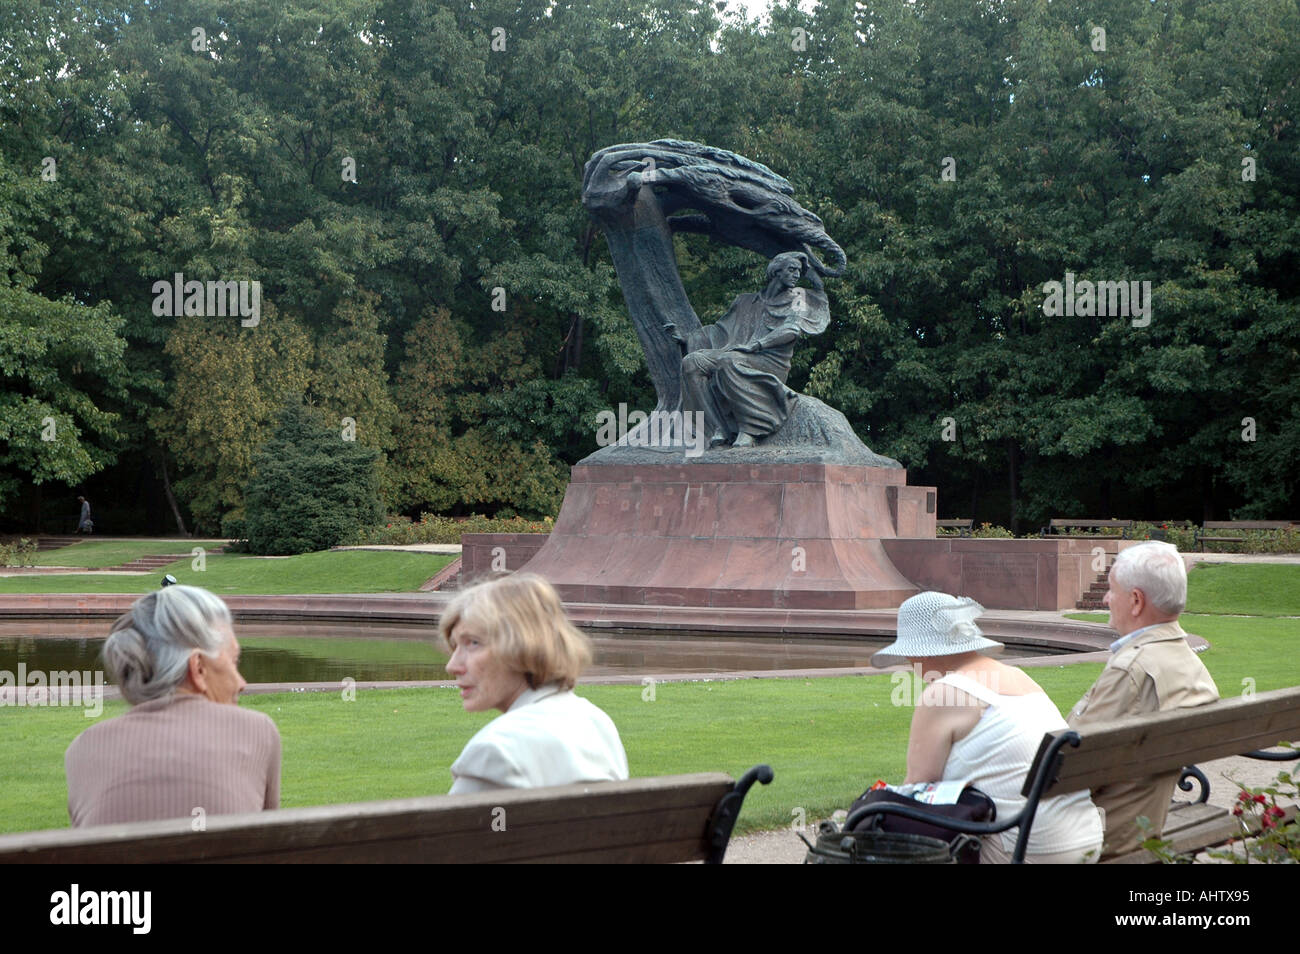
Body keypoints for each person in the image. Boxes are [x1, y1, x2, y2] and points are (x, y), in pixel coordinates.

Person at [873, 591, 1104, 863]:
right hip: (1084, 838)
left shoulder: (943, 693)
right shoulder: (1018, 677)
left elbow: (917, 790)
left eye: (908, 656)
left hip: (1028, 848)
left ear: (923, 651)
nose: (909, 664)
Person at [64, 585, 280, 827]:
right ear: (198, 668)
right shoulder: (255, 731)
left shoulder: (83, 750)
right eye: (234, 661)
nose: (242, 683)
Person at [1068, 541, 1219, 859]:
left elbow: (1066, 767)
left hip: (1106, 839)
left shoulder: (1131, 669)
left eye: (1111, 590)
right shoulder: (1188, 660)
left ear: (1136, 600)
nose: (1107, 599)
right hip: (1148, 825)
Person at [440, 572, 628, 793]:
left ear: (523, 647)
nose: (452, 666)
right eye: (455, 646)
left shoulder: (495, 752)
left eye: (473, 643)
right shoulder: (597, 722)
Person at [668, 251, 830, 448]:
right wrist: (688, 339)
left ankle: (750, 430)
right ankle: (717, 429)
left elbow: (791, 330)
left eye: (799, 271)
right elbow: (719, 331)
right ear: (777, 271)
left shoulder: (798, 297)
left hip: (770, 361)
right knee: (692, 362)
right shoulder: (745, 301)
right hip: (736, 353)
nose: (797, 274)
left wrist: (757, 345)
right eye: (792, 269)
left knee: (728, 361)